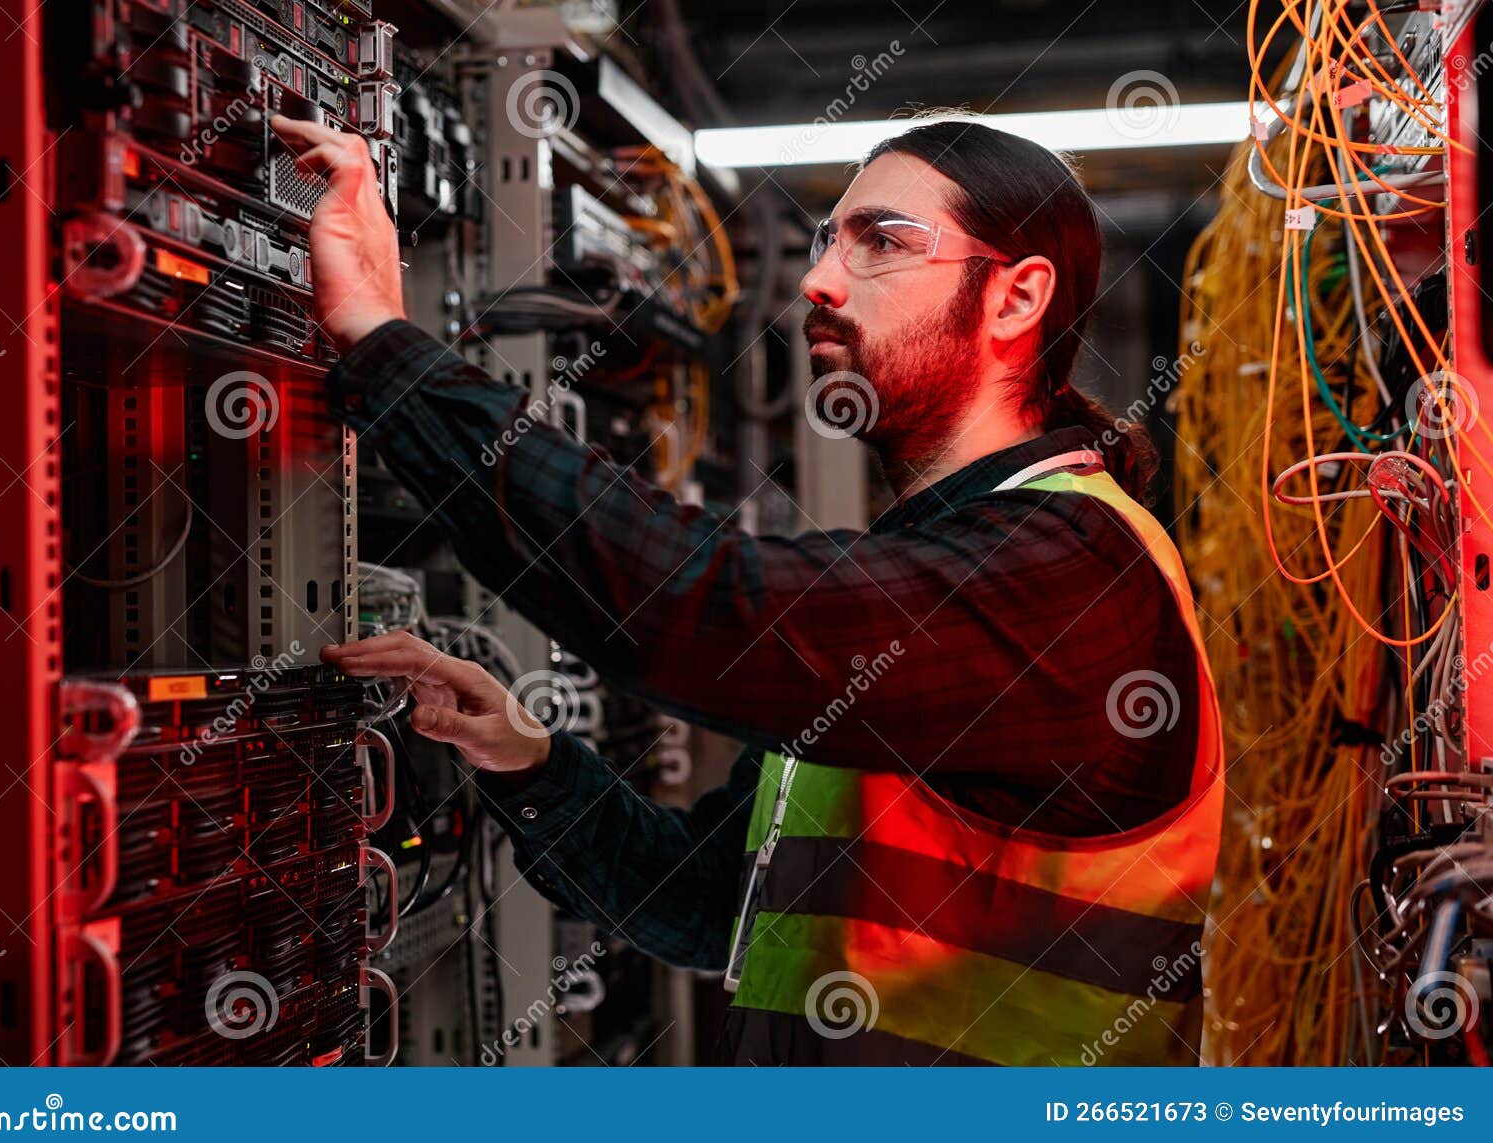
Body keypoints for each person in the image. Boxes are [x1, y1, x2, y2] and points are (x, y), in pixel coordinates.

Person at [271, 110, 1224, 1066]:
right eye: (825, 239)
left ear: (1015, 300)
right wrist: (527, 757)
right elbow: (704, 904)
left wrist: (382, 342)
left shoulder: (1073, 575)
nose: (817, 279)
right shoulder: (951, 567)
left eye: (883, 241)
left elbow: (699, 609)